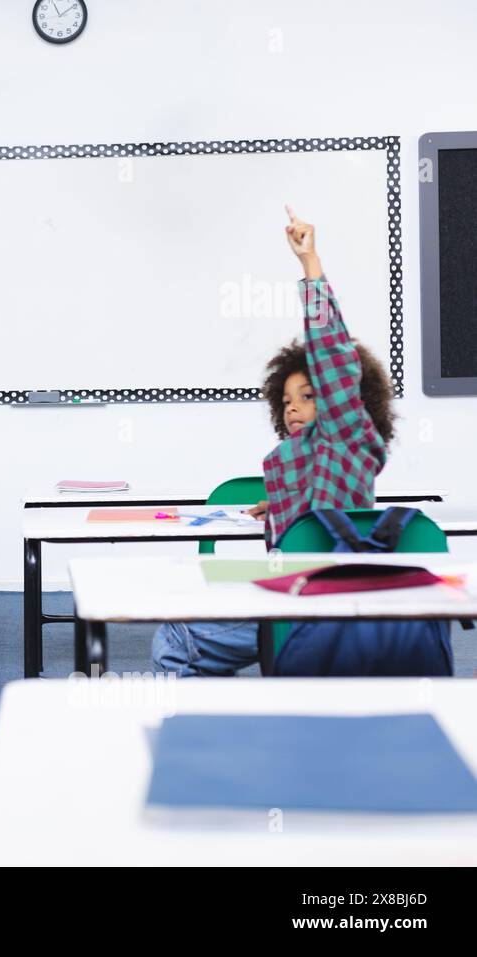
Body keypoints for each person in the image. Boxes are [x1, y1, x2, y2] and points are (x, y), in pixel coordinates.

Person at [153, 206, 395, 676]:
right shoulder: (304, 461)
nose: (293, 408)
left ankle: (199, 742)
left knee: (176, 637)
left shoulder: (346, 435)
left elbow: (332, 355)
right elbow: (319, 504)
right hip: (306, 597)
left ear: (348, 400)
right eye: (286, 400)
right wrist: (280, 501)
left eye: (309, 396)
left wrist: (310, 264)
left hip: (315, 606)